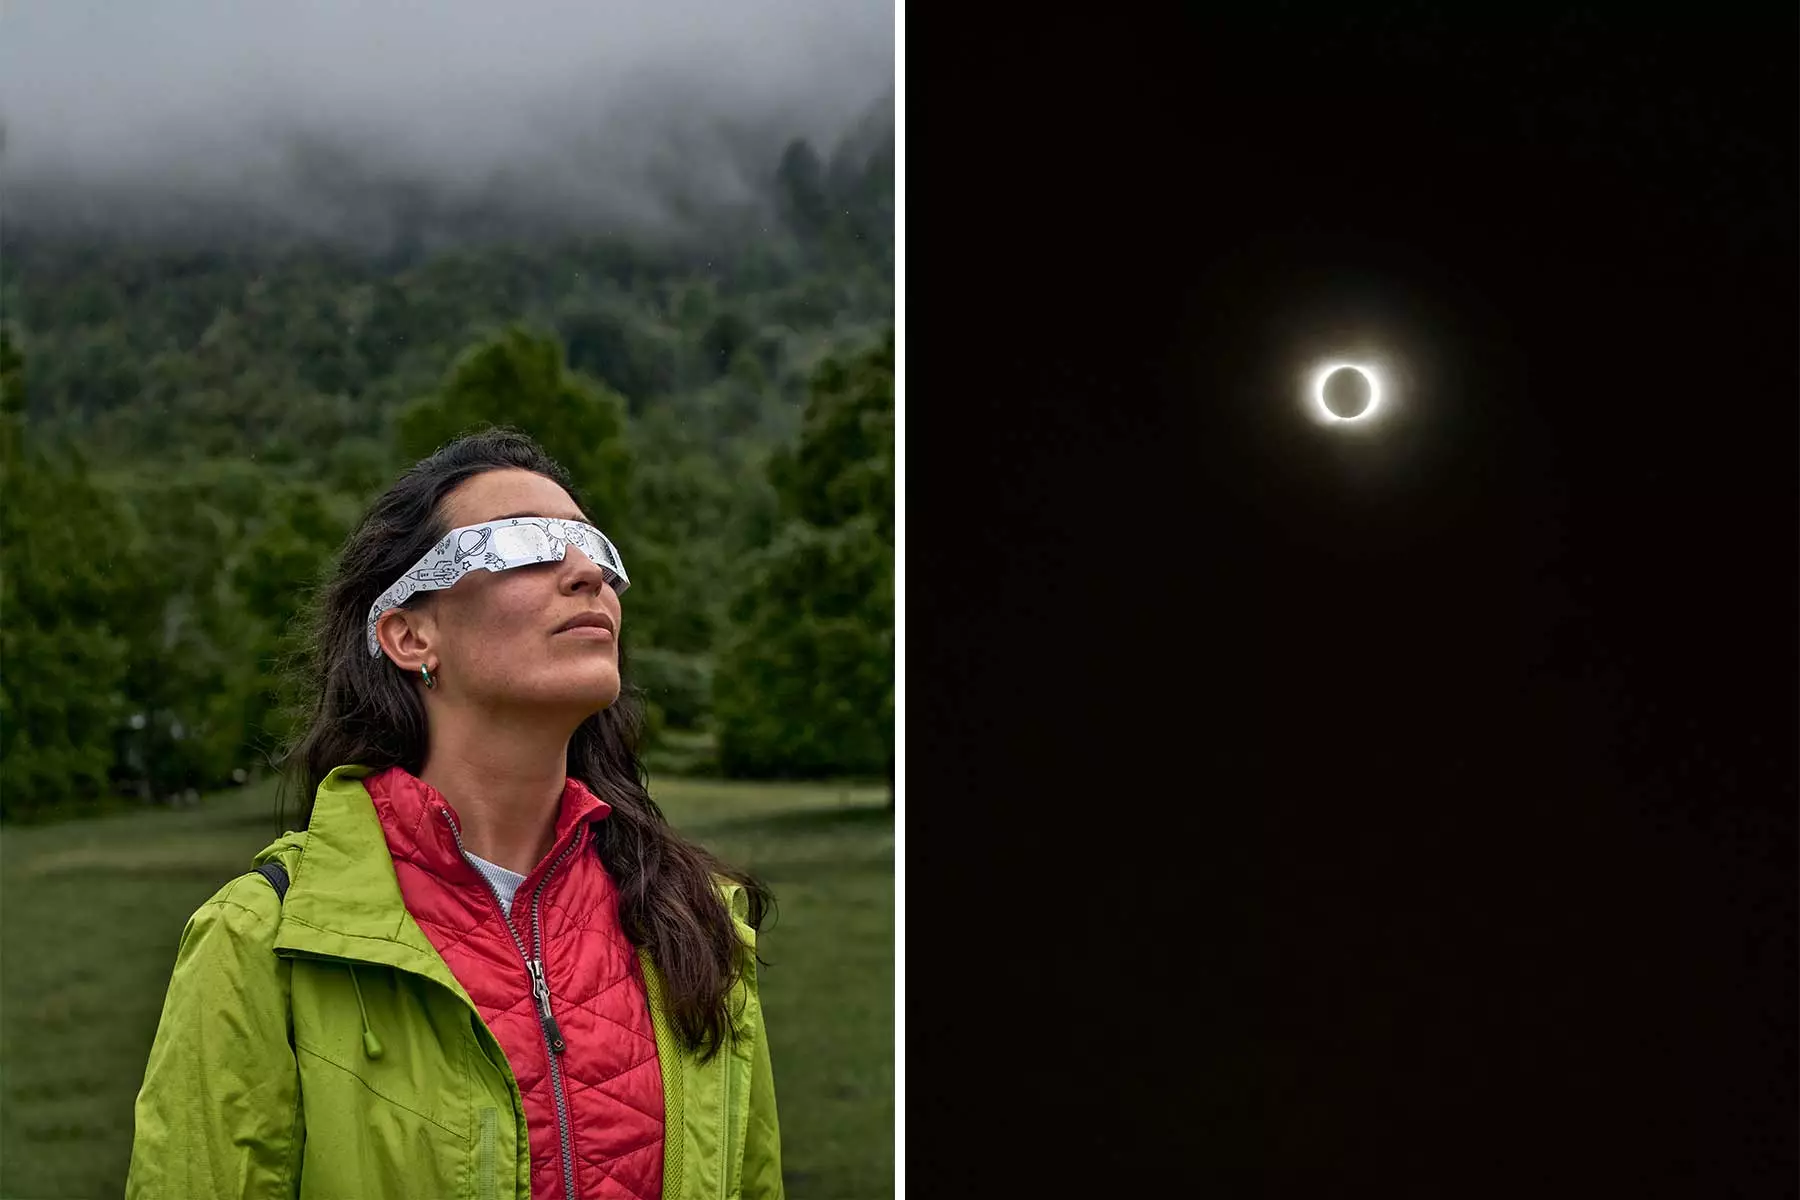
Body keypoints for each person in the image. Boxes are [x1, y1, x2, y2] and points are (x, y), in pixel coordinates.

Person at [126, 428, 783, 1200]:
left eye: (598, 553)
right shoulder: (263, 942)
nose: (588, 575)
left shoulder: (692, 920)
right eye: (524, 546)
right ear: (408, 634)